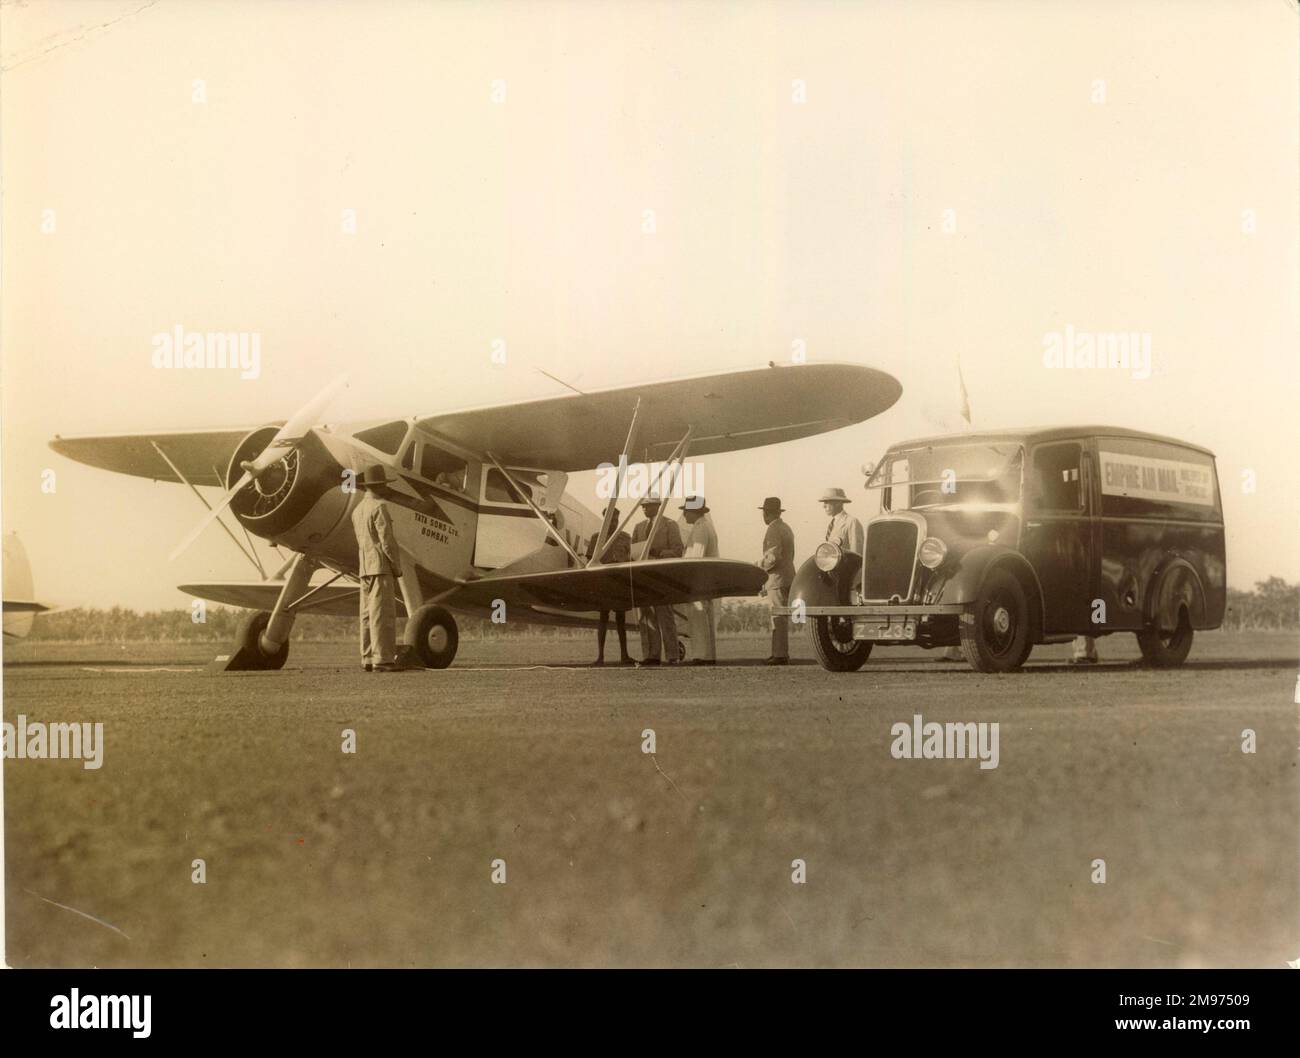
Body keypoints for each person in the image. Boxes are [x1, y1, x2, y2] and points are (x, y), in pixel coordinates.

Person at [351, 464, 401, 672]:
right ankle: (383, 659)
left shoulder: (357, 510)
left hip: (364, 567)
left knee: (366, 615)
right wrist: (396, 566)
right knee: (382, 614)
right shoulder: (379, 507)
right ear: (378, 486)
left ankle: (368, 658)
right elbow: (387, 541)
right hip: (380, 567)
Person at [632, 495, 684, 666]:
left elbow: (677, 550)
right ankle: (651, 655)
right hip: (643, 575)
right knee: (646, 616)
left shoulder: (670, 525)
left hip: (661, 575)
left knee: (665, 615)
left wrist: (658, 552)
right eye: (643, 506)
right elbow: (633, 551)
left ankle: (672, 655)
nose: (645, 509)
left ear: (658, 506)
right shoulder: (638, 527)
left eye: (648, 506)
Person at [585, 504, 633, 666]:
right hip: (603, 581)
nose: (613, 522)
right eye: (610, 519)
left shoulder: (625, 537)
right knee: (603, 618)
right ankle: (600, 656)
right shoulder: (595, 538)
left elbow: (629, 558)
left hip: (620, 581)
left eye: (616, 519)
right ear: (604, 519)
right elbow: (589, 561)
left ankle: (624, 655)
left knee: (621, 620)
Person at [678, 496, 718, 665]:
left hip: (698, 580)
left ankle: (701, 656)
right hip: (705, 580)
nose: (684, 515)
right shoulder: (705, 526)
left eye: (686, 511)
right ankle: (708, 656)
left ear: (693, 512)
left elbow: (696, 556)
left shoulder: (701, 529)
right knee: (704, 618)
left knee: (698, 616)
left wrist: (686, 578)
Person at [758, 496, 795, 665]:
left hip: (776, 579)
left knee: (777, 617)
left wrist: (758, 568)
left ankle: (780, 654)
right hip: (787, 577)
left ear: (767, 513)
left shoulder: (773, 530)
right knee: (781, 616)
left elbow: (772, 557)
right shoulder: (786, 527)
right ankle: (780, 652)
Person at [820, 487, 864, 554]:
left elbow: (857, 554)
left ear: (838, 503)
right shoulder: (832, 524)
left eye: (827, 502)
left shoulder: (851, 522)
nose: (824, 506)